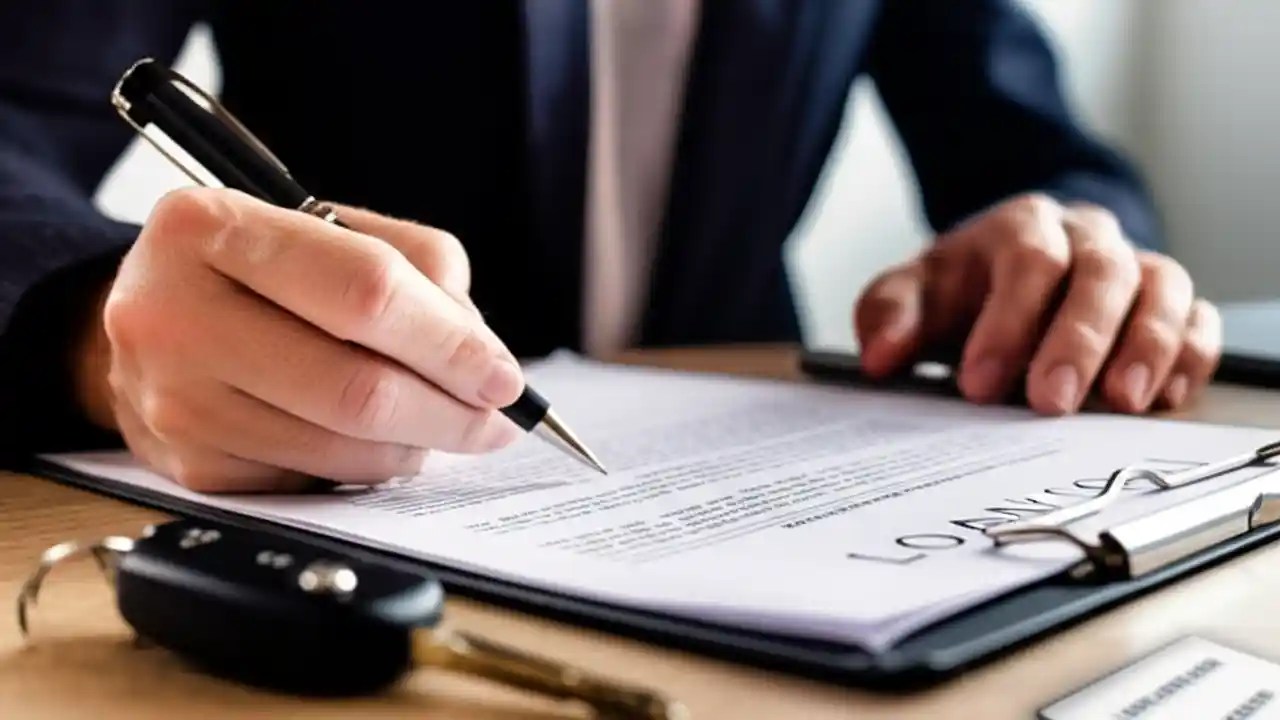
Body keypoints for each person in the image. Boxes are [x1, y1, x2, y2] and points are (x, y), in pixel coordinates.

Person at [0, 2, 1219, 492]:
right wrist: (96, 328)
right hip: (333, 489)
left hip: (761, 476)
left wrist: (1063, 243)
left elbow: (1039, 153)